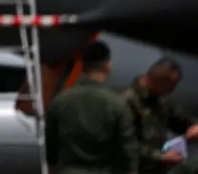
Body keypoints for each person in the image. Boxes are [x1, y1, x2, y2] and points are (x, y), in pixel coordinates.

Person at [45, 40, 138, 174]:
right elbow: (127, 149)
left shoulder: (60, 101)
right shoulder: (117, 104)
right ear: (108, 66)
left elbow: (50, 147)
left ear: (82, 66)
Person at [122, 57, 198, 174]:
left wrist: (195, 125)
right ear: (158, 80)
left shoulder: (160, 100)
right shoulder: (127, 101)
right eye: (170, 86)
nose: (171, 90)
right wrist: (159, 156)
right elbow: (124, 144)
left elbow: (180, 118)